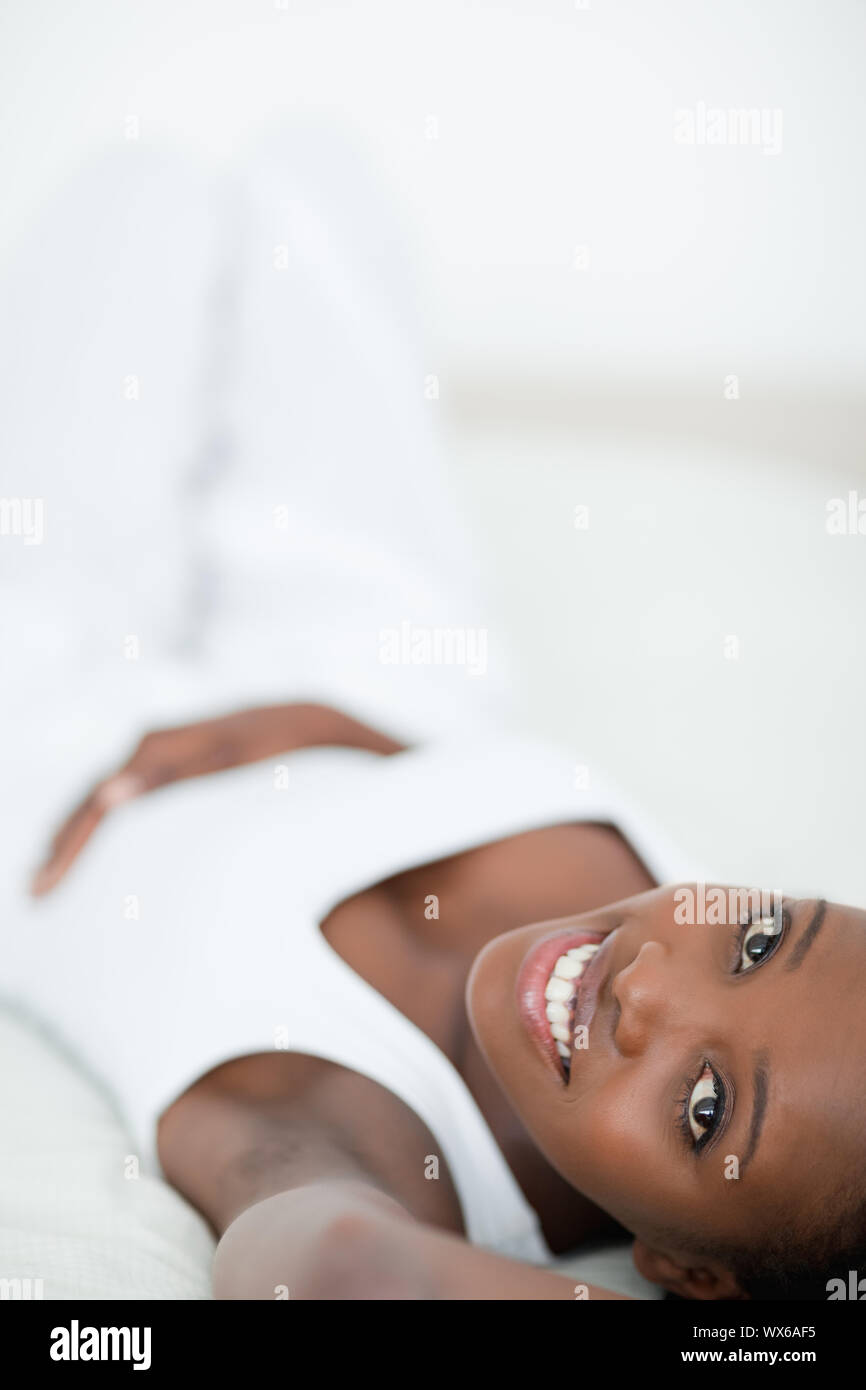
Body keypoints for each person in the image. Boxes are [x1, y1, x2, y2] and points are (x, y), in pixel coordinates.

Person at [4, 131, 864, 1301]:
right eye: (761, 940)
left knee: (127, 207)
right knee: (318, 184)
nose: (651, 983)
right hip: (384, 678)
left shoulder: (357, 1149)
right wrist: (333, 723)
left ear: (680, 1273)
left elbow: (340, 1266)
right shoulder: (807, 1029)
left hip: (58, 729)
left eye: (702, 1104)